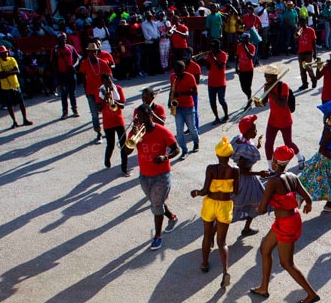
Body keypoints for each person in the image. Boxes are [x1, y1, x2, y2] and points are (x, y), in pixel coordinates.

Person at [250, 145, 319, 303]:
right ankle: (264, 288)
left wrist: (255, 207)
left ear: (275, 161)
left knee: (287, 263)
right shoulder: (292, 176)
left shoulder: (273, 182)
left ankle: (311, 294)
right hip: (290, 219)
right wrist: (308, 205)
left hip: (286, 224)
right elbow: (308, 197)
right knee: (265, 249)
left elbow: (262, 209)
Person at [123, 105, 181, 250]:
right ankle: (172, 217)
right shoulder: (137, 132)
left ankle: (157, 236)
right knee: (157, 203)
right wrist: (133, 138)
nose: (141, 121)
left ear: (151, 116)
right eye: (139, 118)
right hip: (144, 176)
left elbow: (177, 149)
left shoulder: (162, 131)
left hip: (161, 176)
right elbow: (126, 152)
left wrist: (165, 157)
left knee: (156, 205)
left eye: (144, 117)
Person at [191, 137, 239, 286]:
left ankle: (205, 264)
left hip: (210, 204)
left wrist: (196, 193)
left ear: (217, 154)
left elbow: (205, 190)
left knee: (207, 235)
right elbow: (236, 191)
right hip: (225, 205)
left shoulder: (211, 168)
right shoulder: (235, 170)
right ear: (230, 155)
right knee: (222, 241)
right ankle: (225, 271)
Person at [299, 100, 331, 212]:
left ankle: (328, 204)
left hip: (330, 157)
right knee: (328, 181)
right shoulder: (329, 130)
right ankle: (303, 197)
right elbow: (322, 149)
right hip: (326, 159)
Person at [256, 64, 304, 170]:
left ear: (274, 76)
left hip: (285, 120)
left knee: (288, 143)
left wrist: (271, 92)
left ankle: (300, 158)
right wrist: (259, 103)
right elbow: (265, 101)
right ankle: (270, 167)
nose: (265, 78)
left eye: (267, 76)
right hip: (273, 120)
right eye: (265, 76)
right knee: (268, 144)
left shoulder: (283, 86)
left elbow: (282, 104)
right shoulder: (267, 86)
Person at [230, 114, 268, 236]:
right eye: (254, 130)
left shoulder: (239, 140)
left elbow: (249, 150)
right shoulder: (246, 149)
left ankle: (247, 227)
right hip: (245, 181)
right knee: (253, 203)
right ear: (247, 132)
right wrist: (260, 173)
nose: (256, 131)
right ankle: (217, 229)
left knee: (254, 203)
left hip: (245, 179)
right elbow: (242, 170)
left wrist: (258, 144)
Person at [77, 43, 112, 143]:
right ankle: (98, 133)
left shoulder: (102, 63)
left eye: (94, 51)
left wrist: (109, 89)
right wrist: (86, 90)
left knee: (105, 112)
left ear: (97, 52)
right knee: (94, 114)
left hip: (102, 92)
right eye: (90, 52)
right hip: (90, 92)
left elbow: (109, 75)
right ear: (88, 52)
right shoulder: (84, 63)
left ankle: (107, 131)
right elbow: (83, 77)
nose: (92, 53)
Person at [0, 46, 32, 129]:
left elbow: (17, 71)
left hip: (15, 84)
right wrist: (11, 72)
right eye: (3, 53)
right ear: (0, 54)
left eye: (6, 52)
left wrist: (6, 72)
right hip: (6, 86)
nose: (5, 54)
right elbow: (0, 76)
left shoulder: (12, 59)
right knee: (9, 104)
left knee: (21, 102)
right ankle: (14, 121)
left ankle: (25, 119)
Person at [98, 73, 128, 176]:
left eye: (109, 82)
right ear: (103, 83)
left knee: (123, 144)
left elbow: (122, 105)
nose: (108, 84)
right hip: (108, 123)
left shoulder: (118, 89)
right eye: (106, 83)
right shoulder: (100, 91)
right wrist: (105, 99)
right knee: (110, 145)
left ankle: (124, 168)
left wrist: (114, 101)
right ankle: (107, 160)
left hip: (119, 121)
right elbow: (99, 108)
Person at [169, 60, 200, 158]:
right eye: (175, 70)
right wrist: (169, 101)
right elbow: (172, 89)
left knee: (192, 128)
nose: (176, 73)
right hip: (177, 107)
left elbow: (195, 92)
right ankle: (184, 150)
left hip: (188, 107)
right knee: (179, 131)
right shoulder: (173, 76)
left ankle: (196, 143)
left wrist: (181, 94)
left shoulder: (190, 77)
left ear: (184, 69)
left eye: (179, 70)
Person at [51, 33, 81, 119]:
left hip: (71, 74)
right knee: (64, 94)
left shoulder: (70, 47)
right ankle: (65, 112)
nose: (63, 40)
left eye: (65, 39)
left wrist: (74, 66)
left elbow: (77, 58)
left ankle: (74, 109)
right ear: (58, 40)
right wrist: (57, 76)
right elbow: (53, 63)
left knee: (72, 93)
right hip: (62, 75)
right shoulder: (55, 50)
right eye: (62, 39)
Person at [204, 39, 229, 124]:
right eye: (211, 47)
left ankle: (226, 115)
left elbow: (220, 66)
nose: (212, 49)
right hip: (211, 82)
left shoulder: (223, 54)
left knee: (221, 100)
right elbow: (208, 67)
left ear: (218, 47)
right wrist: (206, 59)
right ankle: (216, 118)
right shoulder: (210, 55)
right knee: (212, 102)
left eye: (214, 47)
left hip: (221, 82)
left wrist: (213, 57)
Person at [295, 17, 317, 90]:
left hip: (308, 52)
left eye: (302, 22)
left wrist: (315, 53)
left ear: (306, 22)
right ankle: (304, 84)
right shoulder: (299, 31)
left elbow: (314, 42)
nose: (301, 24)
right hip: (301, 52)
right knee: (302, 70)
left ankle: (313, 80)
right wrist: (297, 34)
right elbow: (296, 40)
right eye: (300, 23)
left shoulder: (311, 30)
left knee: (308, 68)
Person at [235, 33, 256, 109]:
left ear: (248, 39)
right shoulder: (239, 46)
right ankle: (249, 97)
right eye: (243, 38)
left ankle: (249, 101)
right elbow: (237, 56)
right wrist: (236, 67)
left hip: (249, 69)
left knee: (248, 86)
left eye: (245, 38)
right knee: (243, 87)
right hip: (242, 69)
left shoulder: (252, 46)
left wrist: (245, 48)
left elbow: (251, 56)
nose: (243, 40)